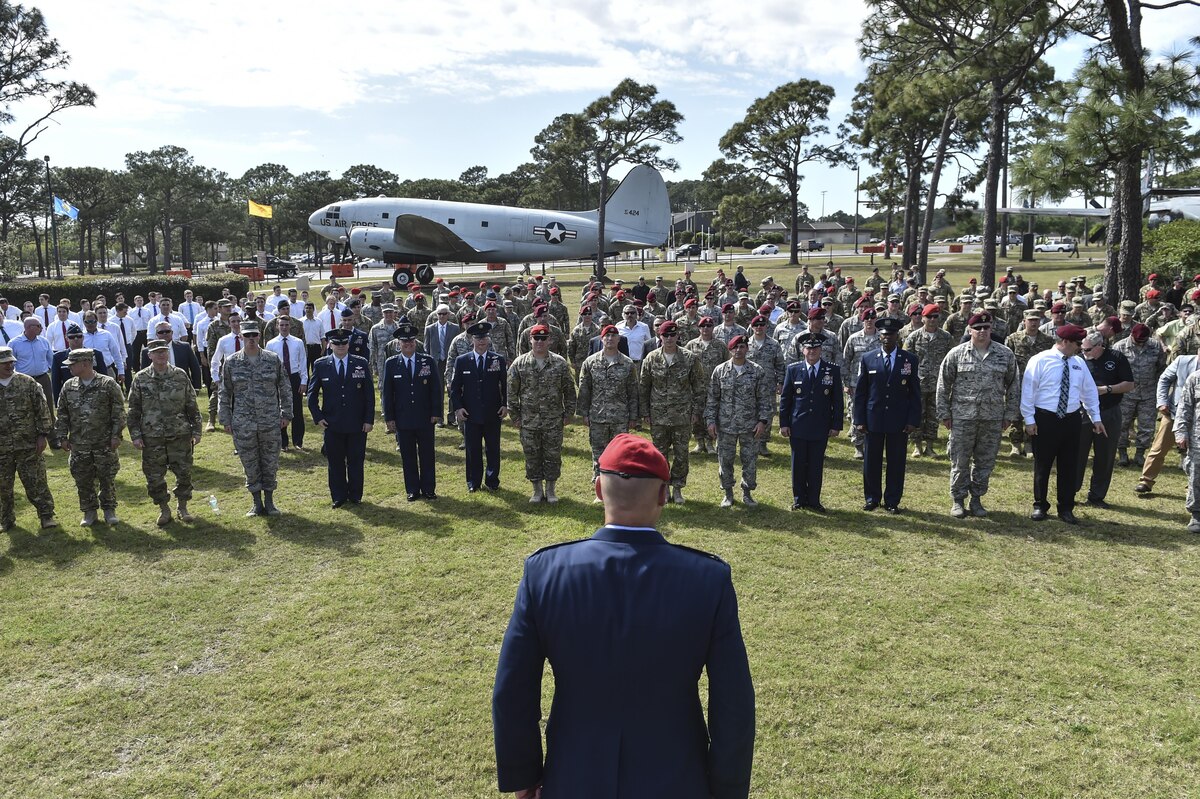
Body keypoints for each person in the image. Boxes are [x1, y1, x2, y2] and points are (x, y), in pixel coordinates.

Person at [492, 434, 755, 798]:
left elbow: (513, 691)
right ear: (664, 495)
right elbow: (734, 704)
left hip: (574, 776)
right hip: (676, 778)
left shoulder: (545, 572)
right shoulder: (707, 579)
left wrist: (522, 778)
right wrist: (727, 789)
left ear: (598, 489)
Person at [935, 312, 1020, 518]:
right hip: (962, 417)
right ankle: (957, 499)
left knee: (985, 462)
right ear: (970, 330)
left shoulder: (1005, 354)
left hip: (992, 418)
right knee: (960, 461)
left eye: (986, 327)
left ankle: (976, 499)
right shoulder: (957, 354)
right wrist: (944, 413)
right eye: (978, 328)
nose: (982, 331)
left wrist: (1009, 413)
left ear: (991, 329)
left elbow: (1014, 386)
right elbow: (943, 385)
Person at [1020, 324, 1104, 524]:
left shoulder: (1078, 363)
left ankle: (1066, 507)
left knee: (1069, 465)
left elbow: (1089, 391)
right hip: (1045, 418)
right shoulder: (1040, 360)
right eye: (1077, 343)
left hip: (1071, 419)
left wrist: (1096, 417)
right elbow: (1028, 391)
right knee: (1043, 465)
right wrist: (1029, 420)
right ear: (1065, 342)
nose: (1079, 348)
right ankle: (1040, 505)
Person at [127, 338, 203, 526]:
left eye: (164, 351)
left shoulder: (180, 375)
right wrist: (135, 435)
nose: (161, 355)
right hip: (152, 437)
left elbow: (192, 404)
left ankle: (182, 507)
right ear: (149, 355)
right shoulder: (141, 378)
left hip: (180, 434)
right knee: (154, 476)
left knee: (184, 472)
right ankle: (164, 508)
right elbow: (133, 410)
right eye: (157, 352)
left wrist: (197, 430)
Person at [219, 321, 292, 517]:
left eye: (254, 335)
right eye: (247, 335)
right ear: (241, 336)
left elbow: (284, 388)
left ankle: (269, 502)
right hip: (243, 423)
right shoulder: (232, 362)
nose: (251, 339)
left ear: (260, 336)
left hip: (269, 421)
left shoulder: (272, 359)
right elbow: (224, 392)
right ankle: (256, 503)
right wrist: (225, 419)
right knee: (249, 463)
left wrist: (286, 413)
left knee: (270, 462)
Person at [853, 317, 922, 513]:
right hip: (873, 419)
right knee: (871, 461)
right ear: (879, 336)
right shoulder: (868, 359)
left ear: (897, 336)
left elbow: (914, 393)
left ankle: (892, 500)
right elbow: (861, 392)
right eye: (883, 335)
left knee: (896, 462)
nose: (886, 338)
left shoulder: (909, 360)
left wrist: (912, 420)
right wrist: (859, 419)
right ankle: (872, 498)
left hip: (898, 420)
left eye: (890, 335)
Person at [53, 348, 127, 526]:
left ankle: (109, 510)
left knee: (107, 478)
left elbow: (119, 412)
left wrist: (116, 435)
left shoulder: (107, 384)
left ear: (85, 364)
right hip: (79, 444)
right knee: (83, 479)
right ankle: (89, 512)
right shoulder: (68, 386)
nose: (69, 367)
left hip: (104, 443)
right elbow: (62, 414)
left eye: (73, 364)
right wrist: (62, 437)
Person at [507, 324, 576, 503]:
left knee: (553, 455)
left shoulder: (559, 363)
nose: (539, 342)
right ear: (530, 340)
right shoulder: (519, 363)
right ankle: (537, 490)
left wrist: (569, 413)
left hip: (553, 420)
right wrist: (515, 416)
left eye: (543, 338)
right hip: (528, 421)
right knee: (532, 455)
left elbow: (569, 390)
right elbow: (511, 392)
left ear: (550, 341)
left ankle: (551, 490)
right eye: (536, 338)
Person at [639, 319, 705, 505]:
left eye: (672, 335)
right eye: (665, 335)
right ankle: (663, 488)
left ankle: (677, 488)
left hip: (682, 415)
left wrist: (696, 411)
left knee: (681, 453)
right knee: (659, 454)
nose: (669, 339)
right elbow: (644, 387)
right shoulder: (651, 358)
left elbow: (699, 386)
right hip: (658, 415)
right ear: (659, 337)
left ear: (678, 336)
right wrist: (645, 412)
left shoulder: (689, 358)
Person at [308, 328, 375, 508]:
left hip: (357, 423)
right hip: (333, 423)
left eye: (344, 343)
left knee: (356, 460)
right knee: (335, 462)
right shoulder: (321, 365)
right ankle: (338, 496)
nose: (341, 346)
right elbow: (312, 394)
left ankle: (355, 495)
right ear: (330, 344)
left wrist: (369, 420)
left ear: (349, 344)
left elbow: (369, 394)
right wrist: (317, 416)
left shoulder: (360, 363)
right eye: (336, 343)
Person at [706, 335, 774, 508]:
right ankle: (728, 493)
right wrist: (710, 421)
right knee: (725, 460)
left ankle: (747, 493)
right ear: (730, 349)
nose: (738, 350)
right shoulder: (720, 371)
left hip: (749, 426)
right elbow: (712, 398)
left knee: (749, 461)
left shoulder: (757, 371)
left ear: (747, 349)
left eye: (742, 346)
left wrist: (762, 421)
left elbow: (765, 399)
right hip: (726, 425)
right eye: (735, 347)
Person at [779, 333, 843, 512]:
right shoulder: (793, 369)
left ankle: (814, 499)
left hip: (820, 425)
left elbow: (837, 400)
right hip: (798, 425)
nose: (812, 351)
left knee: (816, 464)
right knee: (798, 464)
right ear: (802, 350)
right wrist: (784, 423)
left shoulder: (832, 370)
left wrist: (836, 424)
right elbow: (786, 400)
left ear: (821, 350)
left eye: (815, 348)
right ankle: (799, 499)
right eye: (808, 348)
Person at [382, 323, 442, 501]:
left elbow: (435, 390)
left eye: (411, 341)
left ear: (415, 342)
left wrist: (436, 412)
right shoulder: (392, 364)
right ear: (398, 344)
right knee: (407, 455)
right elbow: (387, 393)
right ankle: (412, 489)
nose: (408, 344)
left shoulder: (427, 361)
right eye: (404, 341)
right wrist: (389, 418)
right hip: (403, 417)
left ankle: (429, 488)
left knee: (427, 454)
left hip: (425, 417)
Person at [0, 345, 58, 530]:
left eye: (11, 362)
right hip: (1, 447)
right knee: (3, 487)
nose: (9, 366)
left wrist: (43, 435)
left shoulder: (27, 383)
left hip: (28, 444)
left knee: (36, 481)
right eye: (4, 363)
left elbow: (43, 411)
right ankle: (6, 520)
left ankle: (46, 516)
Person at [1076, 331, 1134, 508]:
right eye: (1082, 349)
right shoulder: (1079, 360)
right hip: (1082, 412)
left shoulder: (1116, 358)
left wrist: (1106, 389)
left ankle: (1096, 496)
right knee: (1077, 454)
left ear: (1100, 346)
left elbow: (1129, 384)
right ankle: (1070, 492)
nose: (1084, 353)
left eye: (1087, 349)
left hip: (1109, 411)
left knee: (1105, 455)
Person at [576, 324, 640, 485]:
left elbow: (633, 391)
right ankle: (599, 478)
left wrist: (633, 416)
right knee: (598, 449)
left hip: (620, 416)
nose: (610, 339)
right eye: (607, 336)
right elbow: (584, 389)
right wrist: (584, 413)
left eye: (613, 336)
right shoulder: (590, 363)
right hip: (597, 415)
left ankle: (619, 477)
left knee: (620, 450)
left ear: (619, 339)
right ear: (602, 339)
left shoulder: (627, 363)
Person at [449, 322, 507, 492]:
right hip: (470, 413)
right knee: (473, 450)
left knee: (493, 449)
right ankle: (473, 482)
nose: (481, 342)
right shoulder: (462, 361)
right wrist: (458, 408)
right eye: (478, 338)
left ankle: (492, 480)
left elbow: (505, 385)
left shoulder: (498, 359)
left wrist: (505, 405)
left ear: (489, 340)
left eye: (484, 338)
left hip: (492, 412)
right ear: (472, 340)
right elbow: (455, 388)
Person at [903, 304, 953, 457]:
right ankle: (917, 446)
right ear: (923, 318)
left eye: (935, 317)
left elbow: (951, 360)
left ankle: (930, 447)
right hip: (918, 383)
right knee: (917, 414)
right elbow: (905, 360)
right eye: (929, 317)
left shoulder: (946, 337)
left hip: (938, 384)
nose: (932, 320)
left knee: (933, 416)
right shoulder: (914, 337)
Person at [1112, 323, 1166, 467]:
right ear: (1131, 336)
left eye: (1144, 341)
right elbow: (1113, 371)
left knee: (1146, 425)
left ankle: (1140, 454)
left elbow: (1161, 368)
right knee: (1121, 424)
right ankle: (1122, 453)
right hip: (1125, 394)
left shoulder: (1155, 346)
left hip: (1148, 392)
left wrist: (1158, 388)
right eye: (1138, 341)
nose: (1141, 343)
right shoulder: (1120, 347)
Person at [265, 316, 309, 451]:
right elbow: (268, 364)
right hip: (278, 378)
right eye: (281, 325)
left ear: (290, 326)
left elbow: (303, 362)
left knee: (297, 410)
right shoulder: (271, 344)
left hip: (294, 377)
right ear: (277, 326)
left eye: (286, 325)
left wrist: (304, 381)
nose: (284, 327)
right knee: (280, 410)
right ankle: (283, 442)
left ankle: (298, 441)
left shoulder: (298, 342)